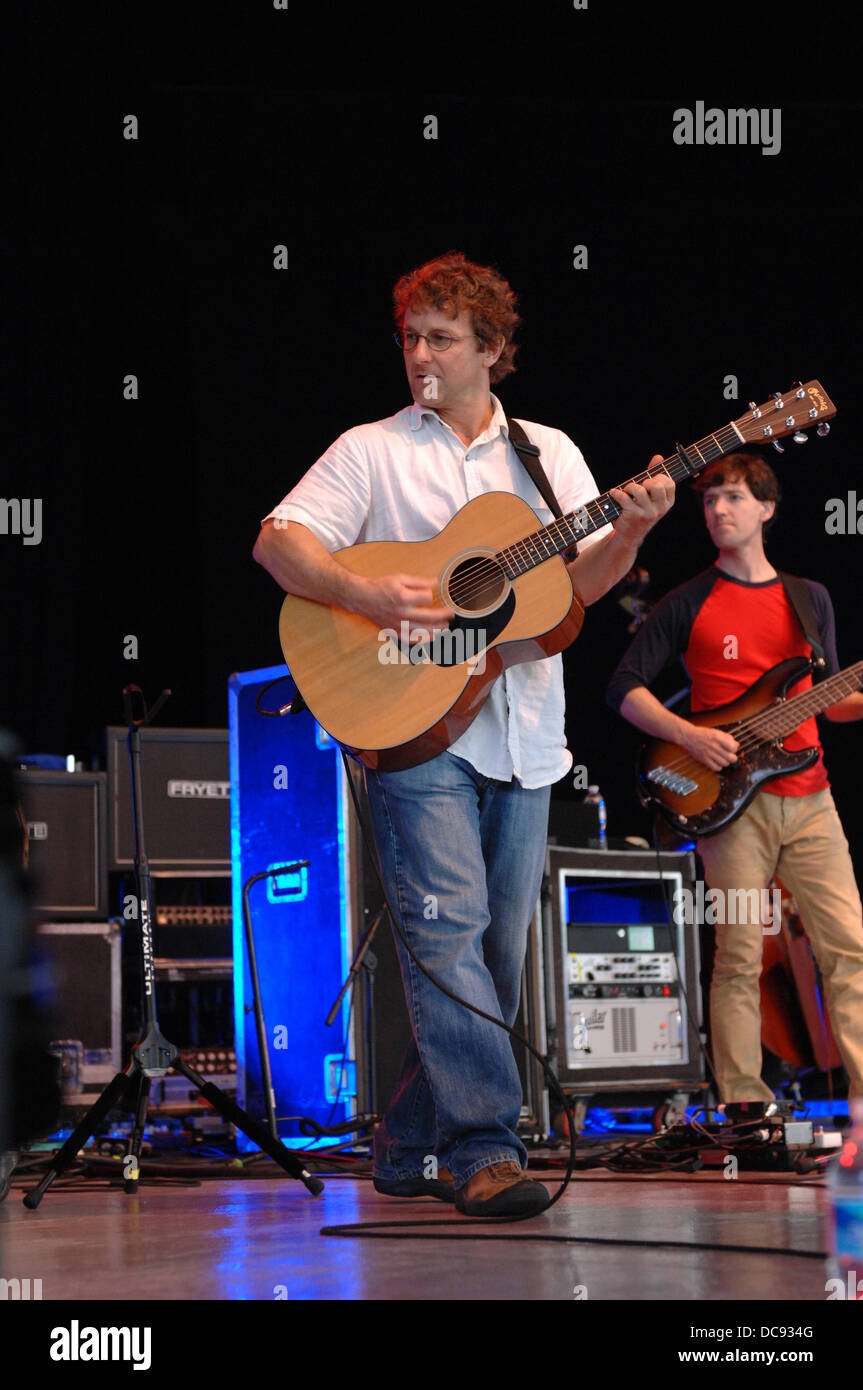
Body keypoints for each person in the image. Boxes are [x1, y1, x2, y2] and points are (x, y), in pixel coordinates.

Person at [254, 251, 674, 1215]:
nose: (419, 353)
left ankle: (405, 1146)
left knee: (493, 955)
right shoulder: (372, 448)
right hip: (413, 728)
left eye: (441, 338)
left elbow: (572, 594)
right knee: (447, 933)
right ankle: (487, 1146)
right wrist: (362, 591)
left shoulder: (548, 455)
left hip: (525, 731)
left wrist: (635, 530)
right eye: (410, 336)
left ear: (493, 349)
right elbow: (279, 541)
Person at [606, 452, 863, 1107]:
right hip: (727, 806)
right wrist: (688, 734)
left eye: (733, 498)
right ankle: (745, 1109)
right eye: (709, 500)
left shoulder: (809, 599)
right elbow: (622, 688)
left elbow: (831, 702)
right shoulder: (687, 600)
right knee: (738, 957)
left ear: (766, 509)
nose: (718, 510)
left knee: (849, 953)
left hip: (810, 799)